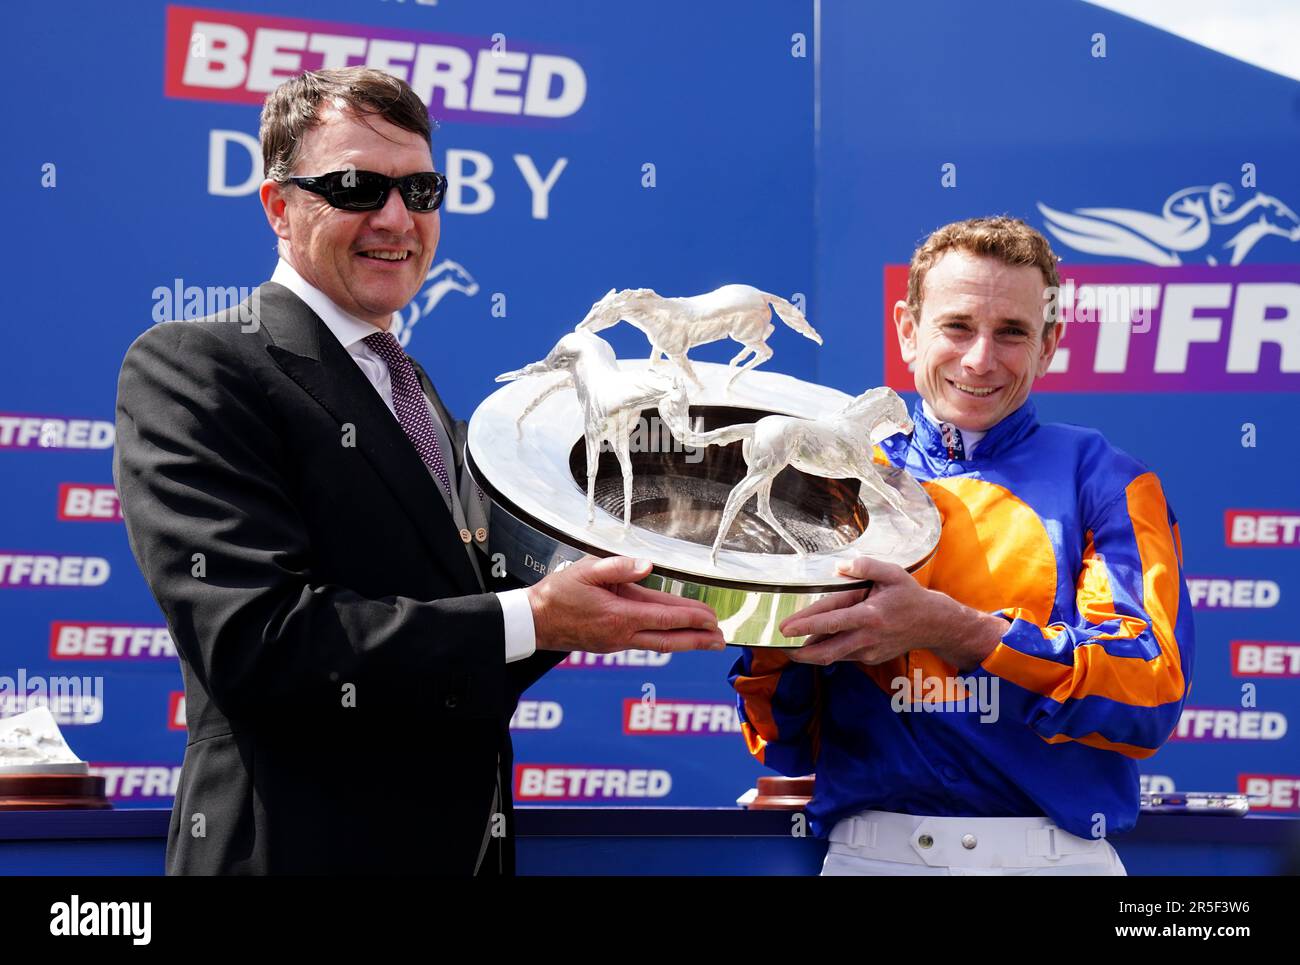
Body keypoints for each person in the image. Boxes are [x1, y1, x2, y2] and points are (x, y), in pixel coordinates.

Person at [113, 67, 723, 876]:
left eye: (422, 189)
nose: (396, 218)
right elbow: (260, 641)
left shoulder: (415, 392)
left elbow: (467, 629)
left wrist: (621, 594)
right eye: (356, 186)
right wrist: (537, 618)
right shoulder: (197, 365)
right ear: (279, 206)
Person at [730, 216, 1194, 876]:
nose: (980, 358)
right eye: (957, 327)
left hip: (1054, 858)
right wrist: (772, 627)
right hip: (871, 856)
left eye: (1012, 332)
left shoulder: (1107, 478)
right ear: (908, 330)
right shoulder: (831, 479)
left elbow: (1148, 691)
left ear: (1049, 343)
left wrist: (964, 633)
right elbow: (782, 740)